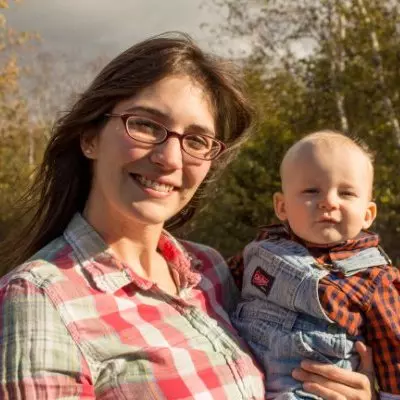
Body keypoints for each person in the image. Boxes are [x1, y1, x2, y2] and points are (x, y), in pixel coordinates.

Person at [0, 34, 374, 399]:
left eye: (196, 140)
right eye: (145, 125)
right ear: (90, 138)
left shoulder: (210, 271)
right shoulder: (40, 297)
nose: (170, 158)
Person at [230, 130, 399, 399]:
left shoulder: (375, 278)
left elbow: (394, 350)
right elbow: (213, 291)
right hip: (240, 384)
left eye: (346, 192)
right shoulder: (259, 252)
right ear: (282, 206)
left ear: (367, 214)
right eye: (311, 190)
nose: (329, 202)